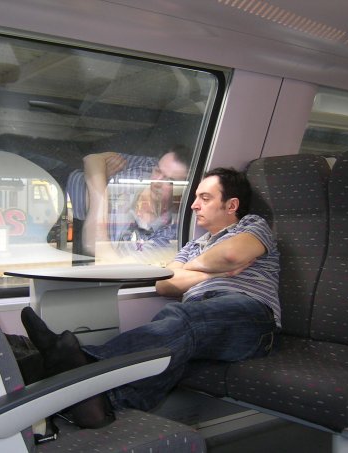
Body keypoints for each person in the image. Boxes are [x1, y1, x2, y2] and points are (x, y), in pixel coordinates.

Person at [20, 167, 280, 428]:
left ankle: (78, 361)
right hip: (203, 317)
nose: (194, 205)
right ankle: (100, 405)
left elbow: (231, 255)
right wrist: (213, 272)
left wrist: (196, 269)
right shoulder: (193, 246)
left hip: (250, 316)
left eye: (205, 198)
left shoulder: (252, 225)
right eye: (196, 198)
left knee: (181, 318)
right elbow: (164, 284)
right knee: (172, 351)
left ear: (231, 205)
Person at [66, 145, 190, 260]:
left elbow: (111, 260)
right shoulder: (146, 165)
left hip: (70, 219)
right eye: (157, 170)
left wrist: (101, 184)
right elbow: (92, 160)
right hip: (65, 178)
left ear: (184, 190)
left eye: (169, 180)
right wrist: (102, 195)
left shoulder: (168, 234)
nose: (157, 181)